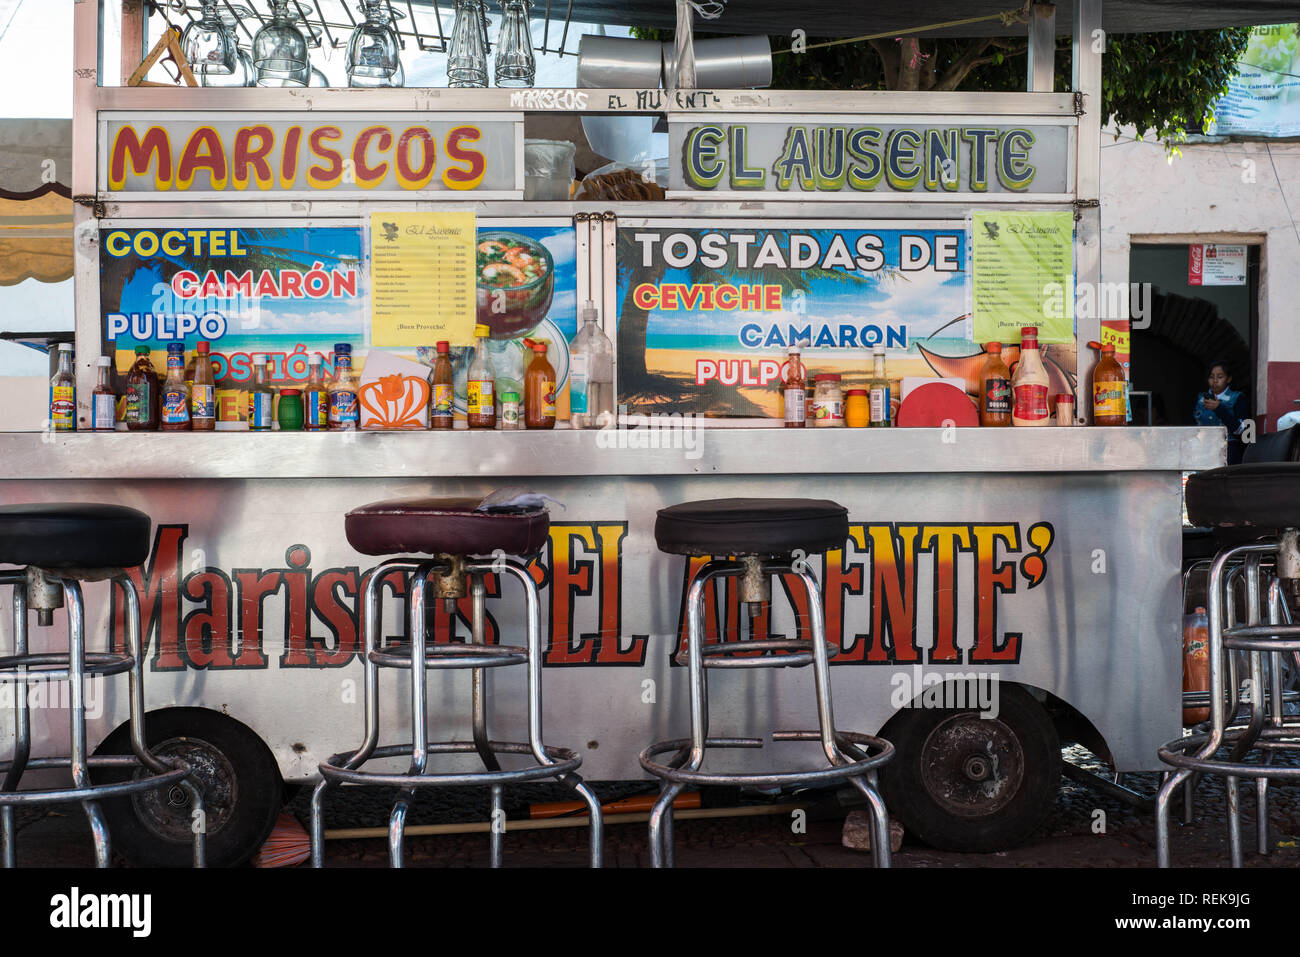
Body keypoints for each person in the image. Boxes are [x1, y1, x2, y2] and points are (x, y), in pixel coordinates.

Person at [1193, 359, 1248, 464]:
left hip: (1228, 451)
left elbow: (1242, 431)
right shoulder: (1200, 399)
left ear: (1228, 379)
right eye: (1211, 377)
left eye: (1220, 377)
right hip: (1202, 449)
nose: (1215, 381)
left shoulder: (1238, 398)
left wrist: (1219, 409)